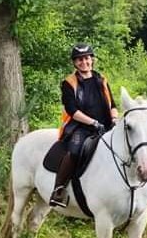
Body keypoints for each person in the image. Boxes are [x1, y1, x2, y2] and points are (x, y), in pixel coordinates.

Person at [49, 43, 118, 207]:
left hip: (106, 126)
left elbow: (113, 105)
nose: (84, 62)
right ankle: (59, 190)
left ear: (92, 59)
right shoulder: (69, 83)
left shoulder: (102, 80)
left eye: (86, 58)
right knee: (74, 152)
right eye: (79, 59)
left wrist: (115, 119)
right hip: (81, 128)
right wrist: (93, 122)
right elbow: (72, 111)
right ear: (75, 63)